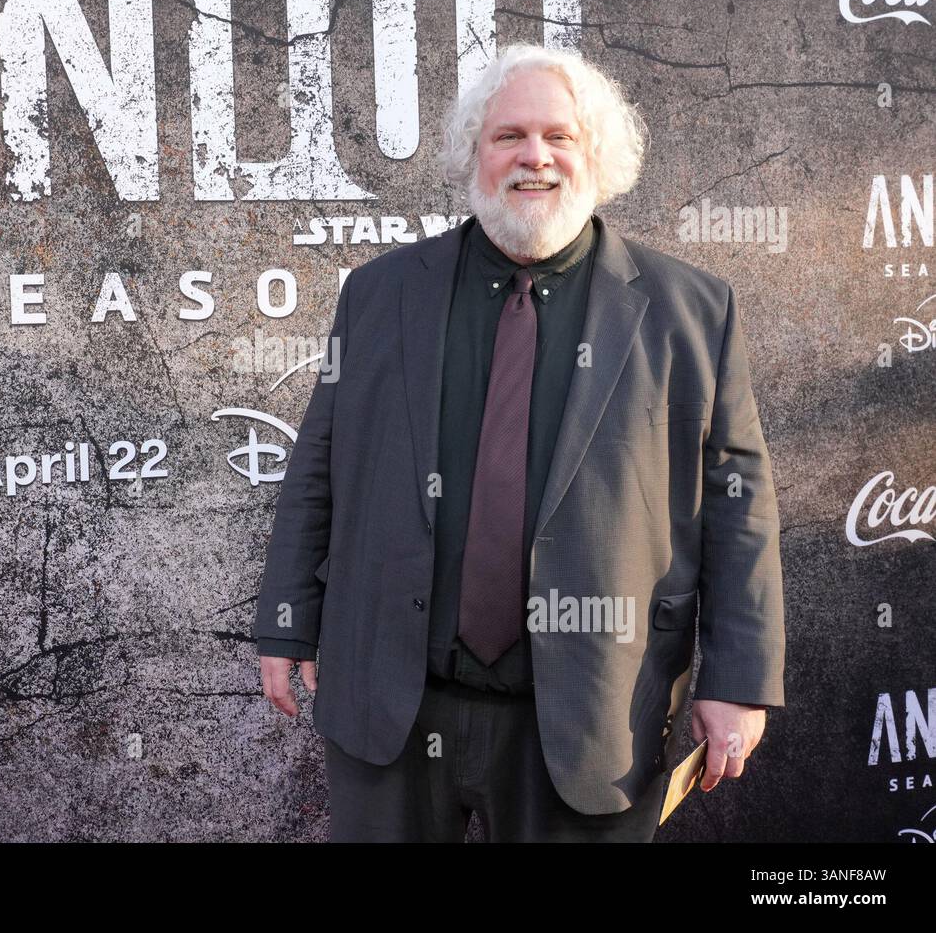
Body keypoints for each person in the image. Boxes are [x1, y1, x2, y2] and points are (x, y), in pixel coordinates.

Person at [253, 42, 786, 842]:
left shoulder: (691, 312)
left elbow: (739, 508)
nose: (533, 156)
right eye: (508, 136)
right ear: (475, 154)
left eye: (558, 137)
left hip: (596, 717)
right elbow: (320, 466)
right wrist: (288, 622)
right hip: (393, 704)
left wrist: (740, 680)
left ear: (595, 157)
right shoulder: (381, 293)